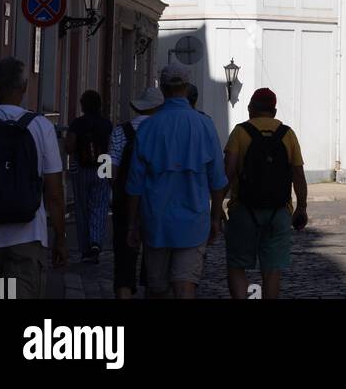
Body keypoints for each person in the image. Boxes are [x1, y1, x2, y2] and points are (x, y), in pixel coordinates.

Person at [124, 62, 227, 299]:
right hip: (193, 220)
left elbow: (135, 183)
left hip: (156, 219)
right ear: (187, 86)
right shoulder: (204, 125)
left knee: (157, 287)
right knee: (185, 285)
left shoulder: (148, 128)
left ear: (162, 87)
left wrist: (132, 224)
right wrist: (215, 217)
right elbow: (217, 179)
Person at [0, 56, 67, 297]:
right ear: (24, 88)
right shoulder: (41, 127)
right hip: (27, 239)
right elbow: (54, 193)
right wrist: (60, 238)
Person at [223, 87, 307, 300]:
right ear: (274, 111)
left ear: (251, 108)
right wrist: (301, 208)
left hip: (243, 209)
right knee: (271, 272)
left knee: (236, 266)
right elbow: (298, 174)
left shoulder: (240, 132)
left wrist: (216, 208)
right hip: (278, 211)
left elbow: (228, 172)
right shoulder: (287, 134)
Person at [108, 85, 163, 299]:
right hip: (156, 202)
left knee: (124, 261)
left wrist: (117, 192)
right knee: (155, 264)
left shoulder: (120, 131)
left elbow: (110, 171)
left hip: (125, 201)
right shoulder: (162, 132)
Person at [64, 90, 112, 263]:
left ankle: (85, 248)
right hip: (102, 168)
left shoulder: (77, 124)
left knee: (82, 208)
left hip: (81, 170)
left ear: (83, 105)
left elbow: (69, 147)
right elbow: (111, 148)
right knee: (99, 207)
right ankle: (96, 242)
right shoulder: (107, 124)